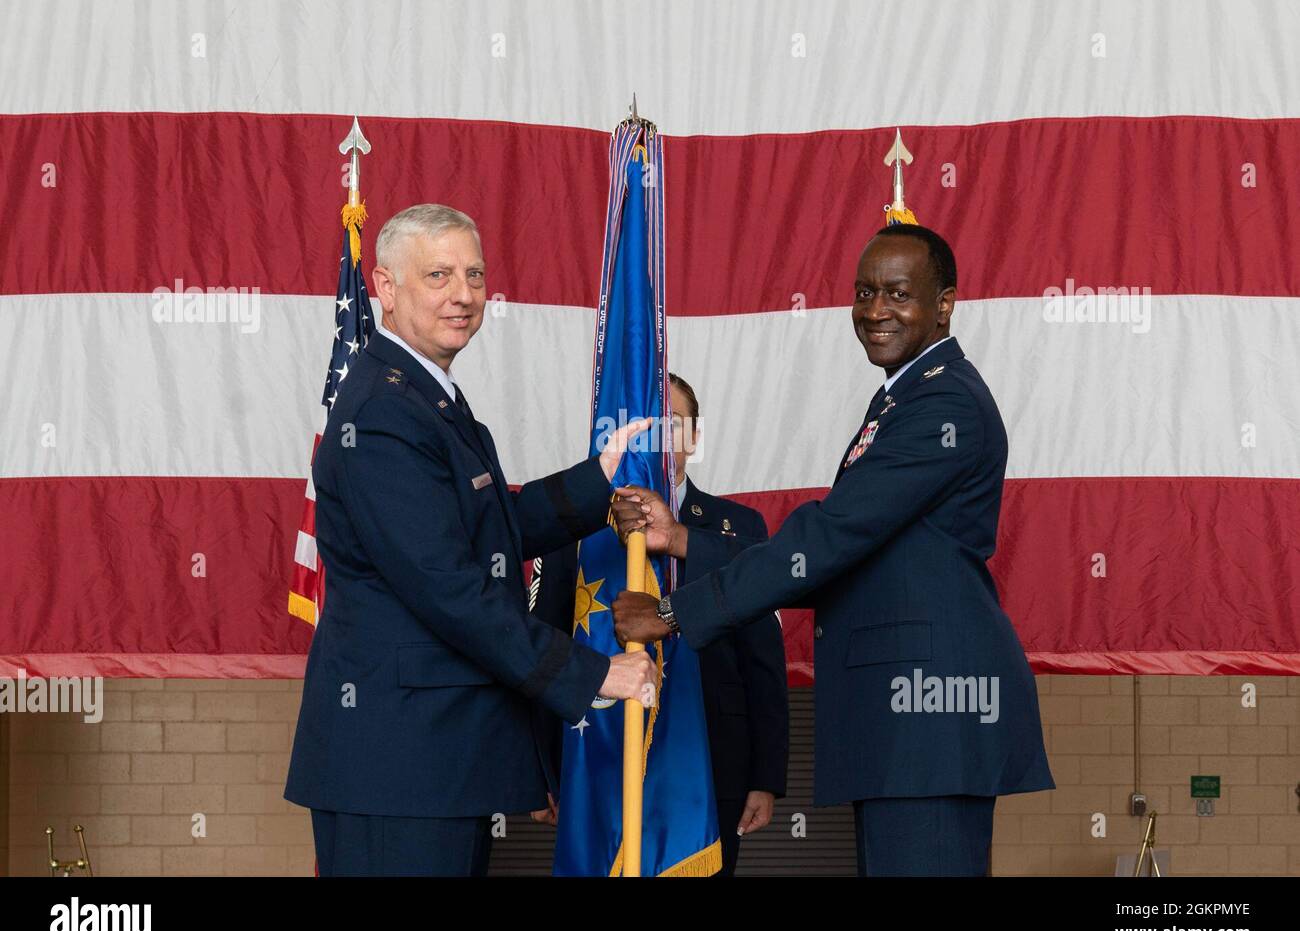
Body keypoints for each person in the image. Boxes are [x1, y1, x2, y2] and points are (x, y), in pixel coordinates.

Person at [612, 223, 1054, 876]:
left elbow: (828, 537)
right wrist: (682, 541)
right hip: (903, 726)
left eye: (899, 292)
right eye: (865, 291)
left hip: (928, 722)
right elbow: (839, 552)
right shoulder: (904, 396)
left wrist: (674, 611)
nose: (876, 310)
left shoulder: (941, 402)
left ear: (945, 303)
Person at [285, 203, 655, 876]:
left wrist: (595, 482)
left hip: (434, 758)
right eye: (439, 274)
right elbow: (452, 588)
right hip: (398, 766)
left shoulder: (427, 397)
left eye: (475, 274)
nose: (464, 293)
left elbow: (487, 533)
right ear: (385, 288)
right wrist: (595, 672)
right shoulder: (382, 416)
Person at [531, 373, 789, 876]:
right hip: (594, 756)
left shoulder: (737, 528)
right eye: (641, 426)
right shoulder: (571, 528)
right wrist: (537, 767)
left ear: (694, 437)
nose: (656, 440)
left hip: (713, 763)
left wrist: (765, 774)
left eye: (671, 425)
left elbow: (763, 662)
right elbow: (541, 645)